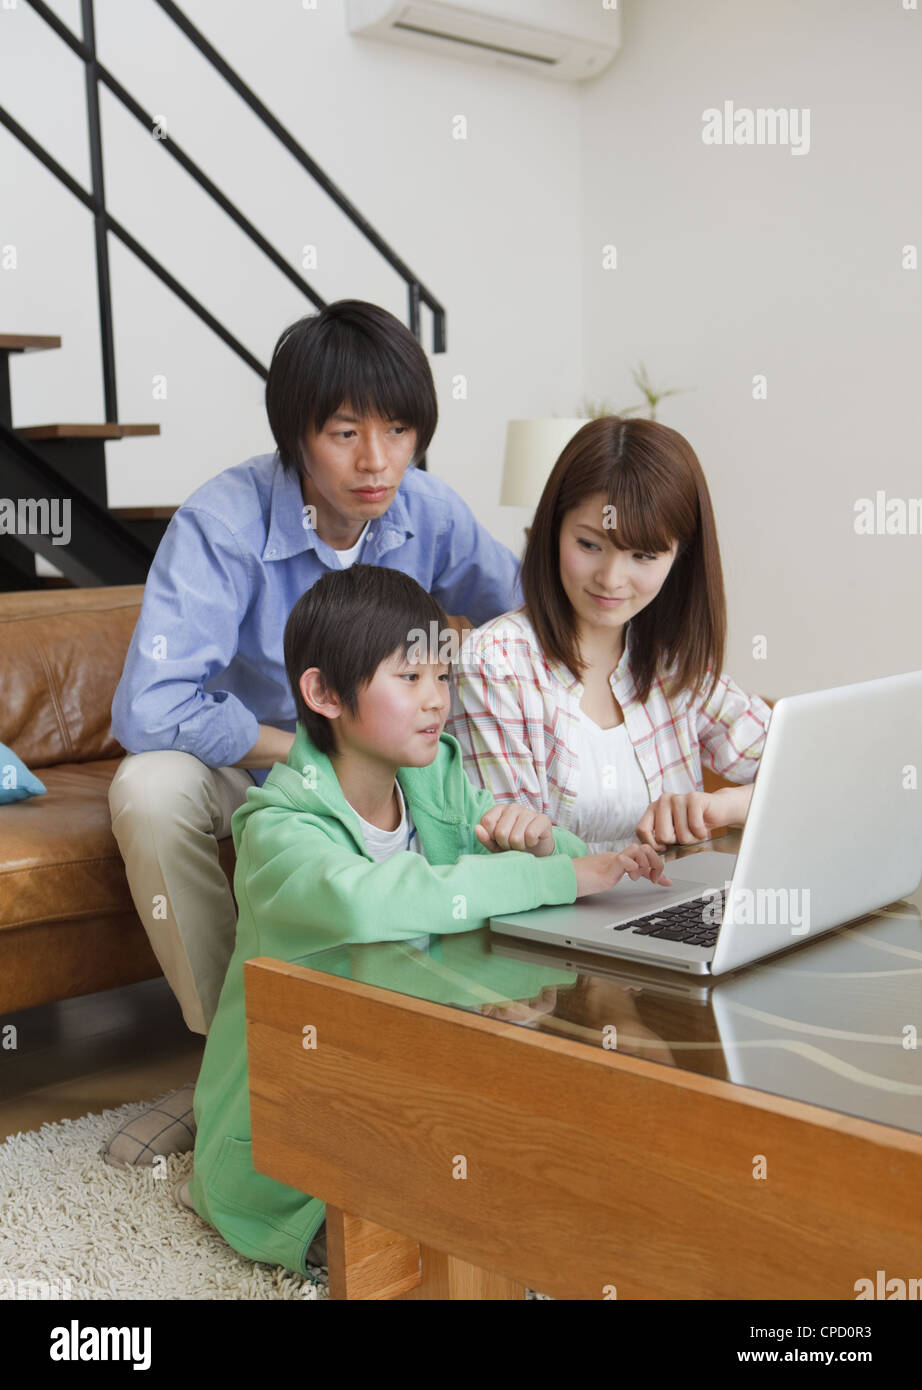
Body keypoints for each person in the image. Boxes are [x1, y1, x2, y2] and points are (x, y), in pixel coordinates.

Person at [105, 300, 525, 1161]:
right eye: (344, 433)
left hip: (369, 761)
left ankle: (451, 1032)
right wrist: (299, 749)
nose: (377, 462)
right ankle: (236, 1057)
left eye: (400, 431)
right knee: (146, 789)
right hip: (255, 756)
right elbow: (147, 708)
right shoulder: (222, 523)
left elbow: (522, 614)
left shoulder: (430, 513)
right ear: (296, 434)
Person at [186, 565, 671, 1274]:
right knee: (427, 1251)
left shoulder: (433, 775)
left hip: (411, 1082)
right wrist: (553, 872)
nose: (436, 701)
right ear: (323, 693)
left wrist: (542, 842)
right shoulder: (275, 831)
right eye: (409, 679)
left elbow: (571, 869)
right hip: (297, 1136)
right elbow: (369, 899)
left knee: (571, 1176)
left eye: (441, 677)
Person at [446, 416, 772, 855]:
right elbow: (509, 857)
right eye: (589, 545)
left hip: (674, 909)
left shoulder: (673, 662)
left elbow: (807, 771)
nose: (611, 579)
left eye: (644, 555)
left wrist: (725, 805)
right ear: (553, 529)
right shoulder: (495, 663)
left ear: (680, 558)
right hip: (554, 919)